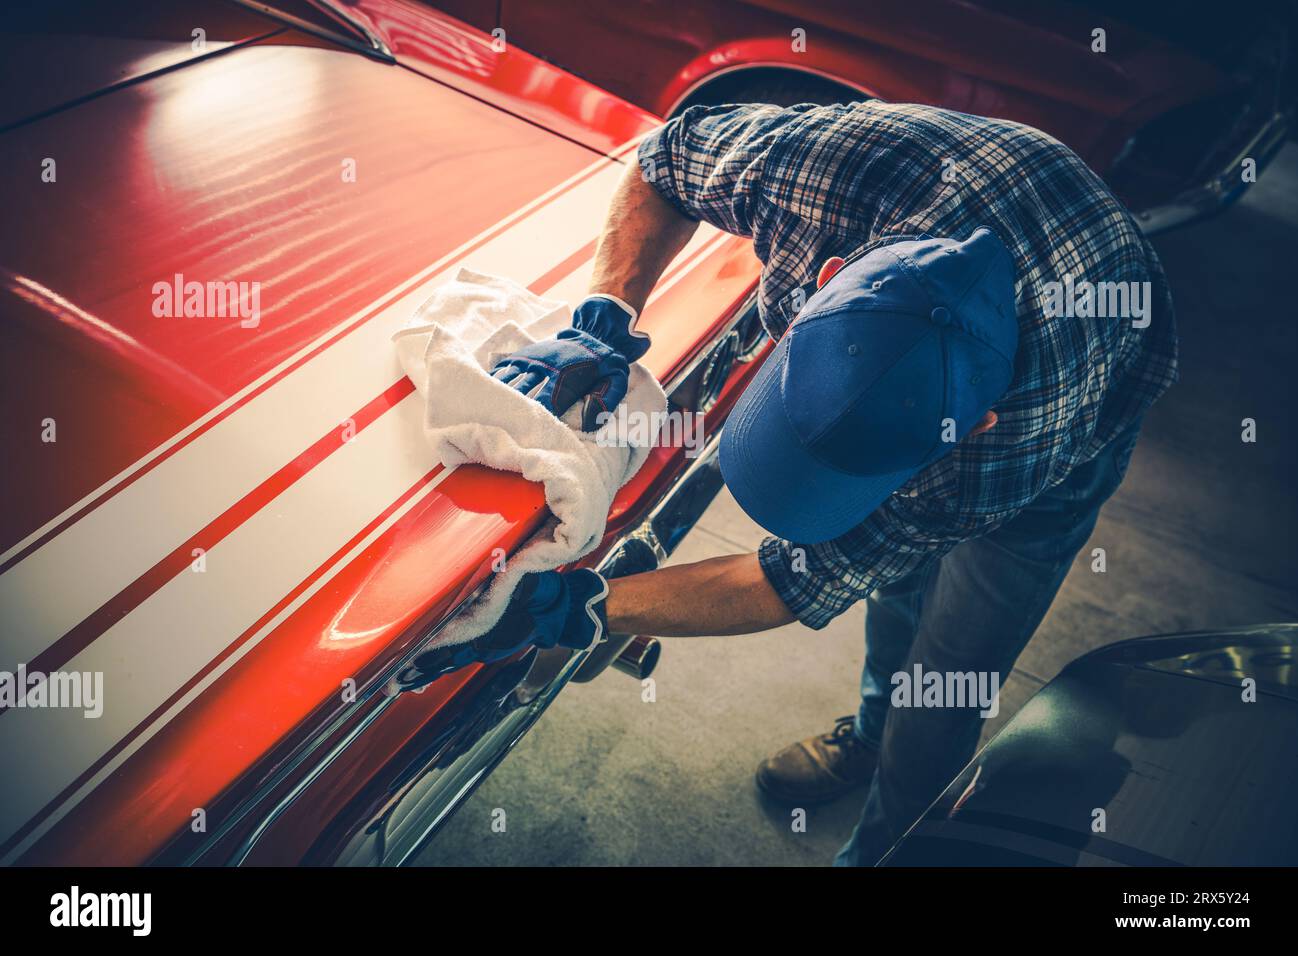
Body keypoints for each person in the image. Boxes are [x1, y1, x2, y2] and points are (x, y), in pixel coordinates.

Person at [409, 100, 1178, 865]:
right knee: (897, 590)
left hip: (1091, 383)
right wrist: (603, 317)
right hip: (985, 192)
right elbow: (664, 161)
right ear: (828, 277)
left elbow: (793, 578)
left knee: (950, 673)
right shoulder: (822, 171)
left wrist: (581, 606)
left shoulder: (1007, 449)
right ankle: (872, 732)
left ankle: (890, 845)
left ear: (968, 427)